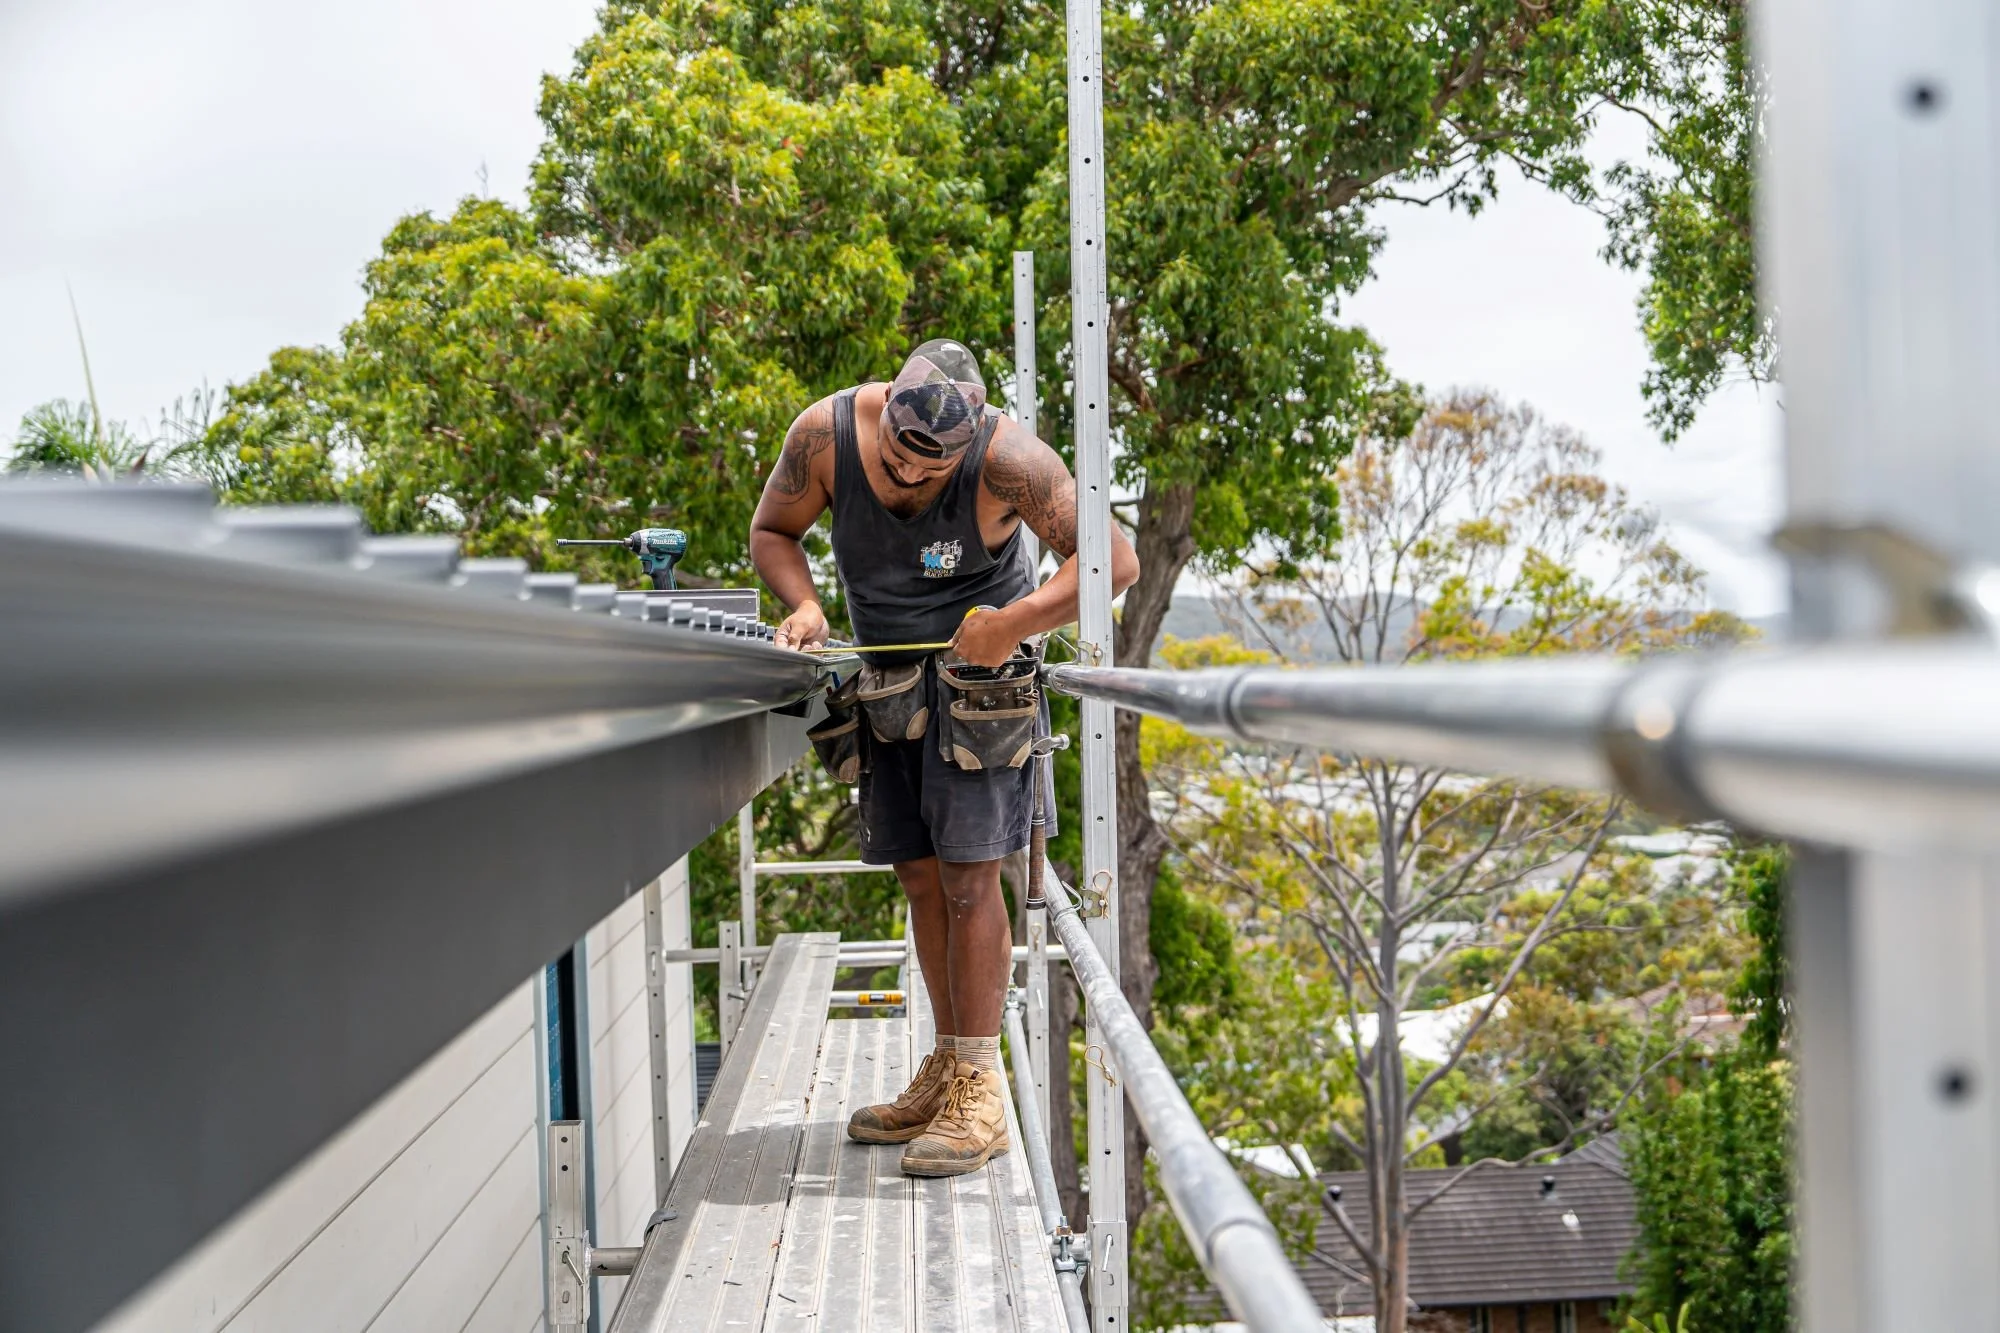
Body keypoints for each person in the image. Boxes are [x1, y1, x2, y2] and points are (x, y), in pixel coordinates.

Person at [750, 338, 1140, 1176]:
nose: (908, 475)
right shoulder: (823, 435)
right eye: (897, 455)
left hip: (980, 695)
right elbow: (774, 529)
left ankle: (979, 1086)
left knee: (971, 877)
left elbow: (1117, 557)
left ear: (969, 448)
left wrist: (1016, 621)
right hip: (888, 688)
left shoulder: (1010, 460)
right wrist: (807, 604)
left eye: (931, 469)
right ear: (886, 404)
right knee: (920, 877)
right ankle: (947, 1065)